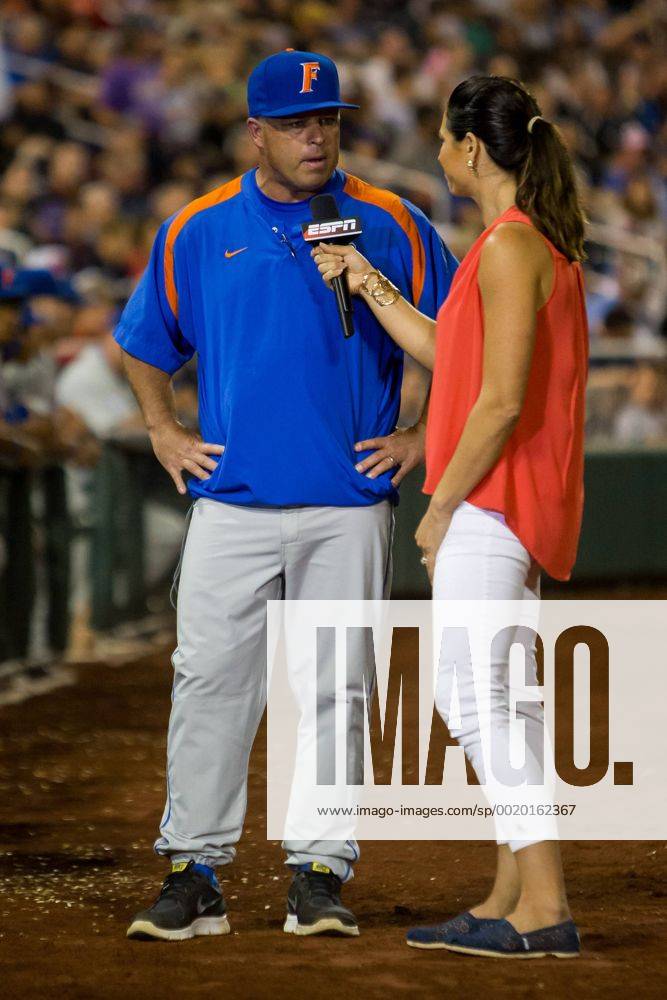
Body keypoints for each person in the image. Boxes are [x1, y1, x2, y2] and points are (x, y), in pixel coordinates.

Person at [117, 50, 458, 942]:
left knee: (336, 688)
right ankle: (194, 869)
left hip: (346, 498)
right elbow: (145, 341)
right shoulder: (196, 227)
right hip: (230, 496)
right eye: (298, 122)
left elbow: (461, 340)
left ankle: (318, 869)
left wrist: (422, 434)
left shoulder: (390, 220)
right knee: (209, 681)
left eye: (328, 119)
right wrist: (162, 427)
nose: (317, 135)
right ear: (255, 131)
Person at [313, 75, 588, 959]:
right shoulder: (519, 242)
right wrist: (368, 282)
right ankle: (514, 895)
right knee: (506, 699)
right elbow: (454, 354)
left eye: (442, 138)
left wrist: (437, 507)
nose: (435, 152)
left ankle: (543, 905)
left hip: (495, 498)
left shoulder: (509, 246)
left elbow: (498, 403)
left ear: (472, 149)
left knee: (473, 700)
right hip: (517, 499)